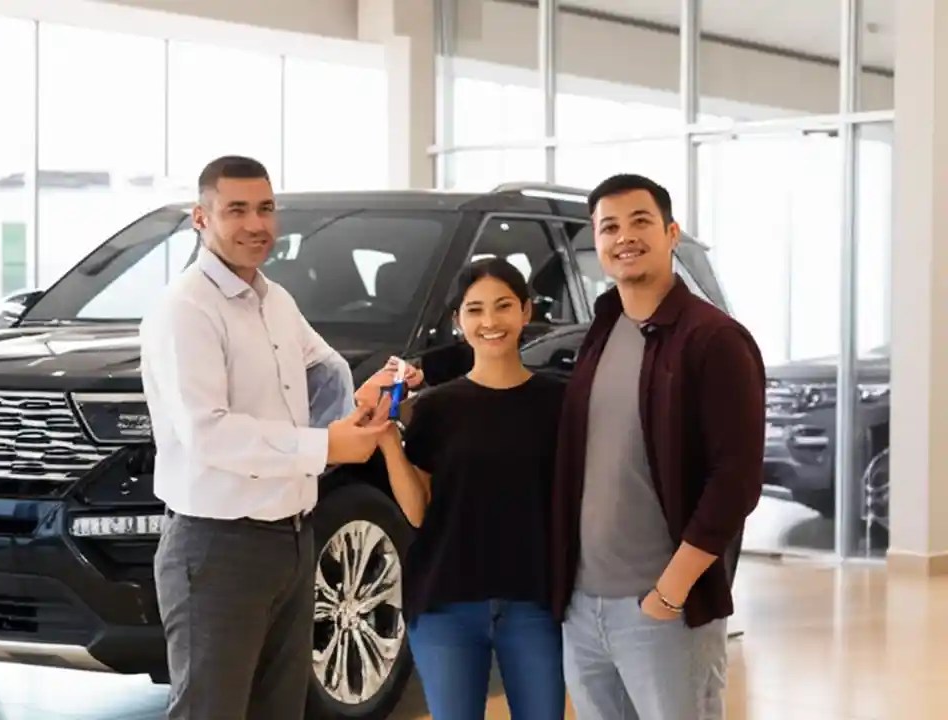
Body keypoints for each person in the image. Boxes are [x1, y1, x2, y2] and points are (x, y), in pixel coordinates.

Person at [138, 154, 405, 720]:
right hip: (218, 546)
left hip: (292, 539)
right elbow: (209, 433)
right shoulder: (186, 308)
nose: (256, 224)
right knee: (210, 711)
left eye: (265, 208)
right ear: (201, 218)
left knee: (279, 711)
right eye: (236, 210)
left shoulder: (275, 299)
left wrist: (367, 400)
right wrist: (325, 447)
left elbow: (326, 374)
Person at [550, 173, 766, 720]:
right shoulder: (602, 330)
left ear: (671, 233)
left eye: (640, 221)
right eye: (609, 227)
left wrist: (671, 592)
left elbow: (736, 481)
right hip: (584, 608)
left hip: (666, 610)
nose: (624, 236)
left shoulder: (715, 339)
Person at [362, 257, 567, 720]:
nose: (490, 321)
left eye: (503, 306)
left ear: (526, 311)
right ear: (458, 321)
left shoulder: (561, 402)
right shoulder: (436, 407)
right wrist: (389, 443)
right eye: (475, 310)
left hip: (534, 601)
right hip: (446, 602)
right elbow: (418, 511)